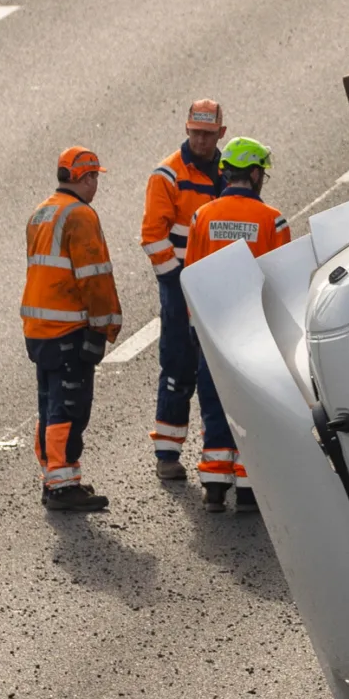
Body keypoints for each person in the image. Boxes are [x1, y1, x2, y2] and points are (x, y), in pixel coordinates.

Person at [184, 137, 290, 511]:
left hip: (212, 327)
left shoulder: (203, 216)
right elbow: (279, 279)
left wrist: (194, 327)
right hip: (255, 330)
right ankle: (248, 488)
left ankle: (214, 484)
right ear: (256, 173)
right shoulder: (271, 219)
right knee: (252, 406)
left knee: (214, 403)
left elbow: (190, 274)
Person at [23, 148, 123, 513]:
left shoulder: (41, 212)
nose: (96, 184)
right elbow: (93, 276)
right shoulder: (79, 215)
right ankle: (63, 487)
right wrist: (103, 327)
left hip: (39, 329)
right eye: (95, 177)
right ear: (86, 178)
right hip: (68, 327)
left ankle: (57, 479)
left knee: (50, 405)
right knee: (70, 408)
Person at [143, 100, 224, 482]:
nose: (201, 140)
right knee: (177, 367)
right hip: (179, 285)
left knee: (216, 372)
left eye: (208, 134)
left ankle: (216, 453)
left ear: (220, 134)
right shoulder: (167, 175)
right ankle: (167, 454)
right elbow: (152, 235)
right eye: (196, 132)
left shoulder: (228, 172)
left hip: (215, 286)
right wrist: (174, 284)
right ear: (187, 129)